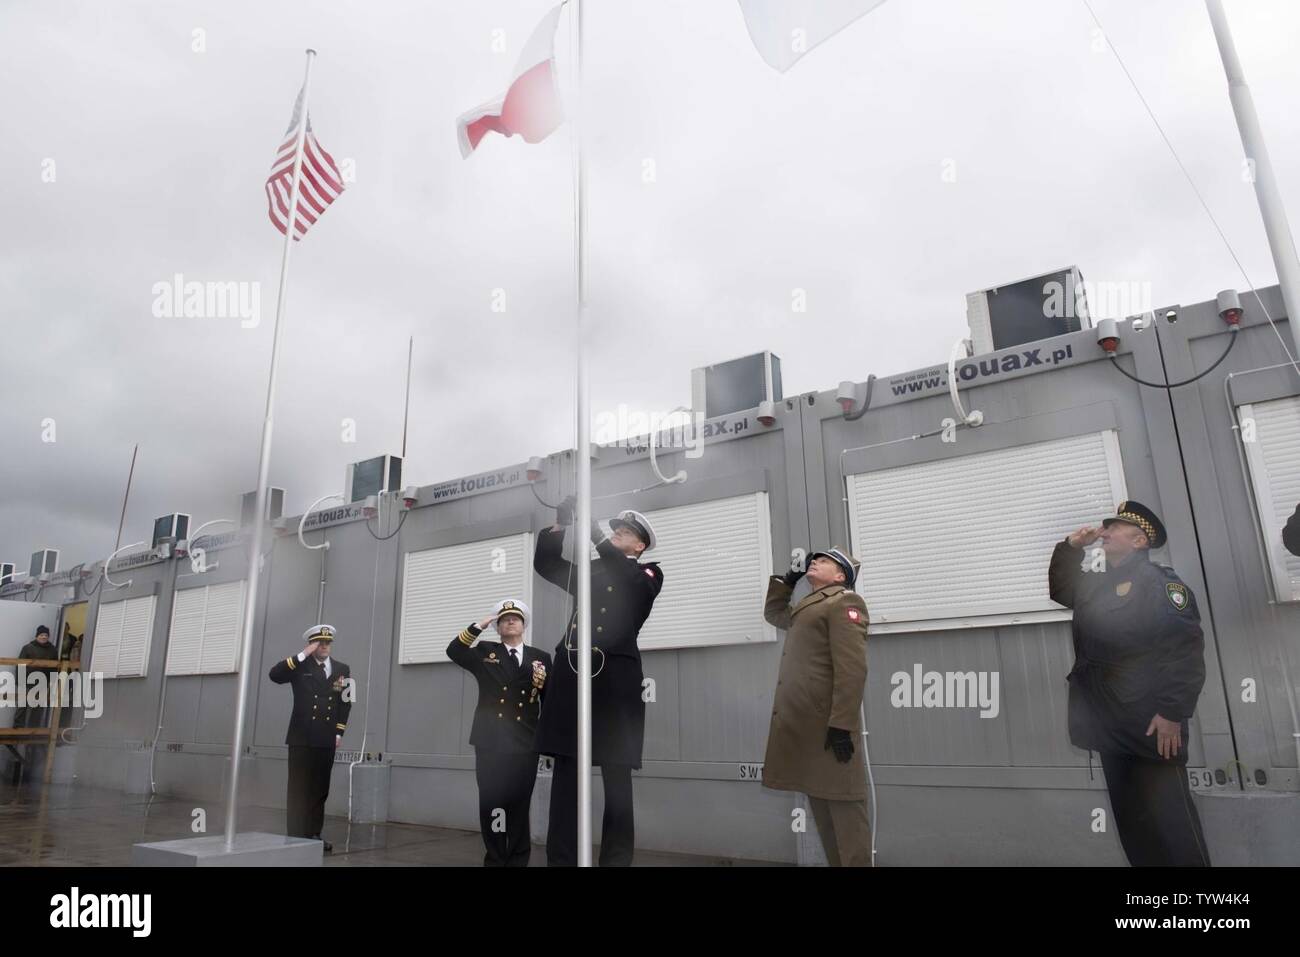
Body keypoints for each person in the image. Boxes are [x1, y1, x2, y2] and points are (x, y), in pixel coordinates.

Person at [1048, 500, 1211, 866]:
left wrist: (1172, 711)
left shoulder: (1162, 584)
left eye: (1114, 527)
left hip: (1152, 726)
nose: (1104, 531)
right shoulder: (1096, 585)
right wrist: (1071, 547)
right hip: (1106, 724)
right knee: (1134, 829)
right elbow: (1061, 588)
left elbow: (1185, 651)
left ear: (1139, 541)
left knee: (1173, 829)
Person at [533, 497, 663, 866]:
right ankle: (562, 859)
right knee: (566, 775)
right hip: (574, 676)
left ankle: (616, 861)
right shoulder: (593, 570)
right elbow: (547, 565)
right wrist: (561, 523)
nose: (617, 534)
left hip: (614, 685)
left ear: (640, 546)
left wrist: (594, 534)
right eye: (616, 529)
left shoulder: (648, 573)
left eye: (626, 533)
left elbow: (629, 583)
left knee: (617, 779)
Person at [761, 547, 872, 867]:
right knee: (824, 811)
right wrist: (788, 580)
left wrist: (841, 725)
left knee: (846, 812)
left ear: (841, 576)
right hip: (808, 727)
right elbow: (774, 614)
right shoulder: (809, 607)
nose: (814, 562)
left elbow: (852, 670)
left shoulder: (845, 602)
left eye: (824, 561)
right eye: (813, 560)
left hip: (830, 726)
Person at [447, 599, 551, 866]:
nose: (510, 621)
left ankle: (517, 859)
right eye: (504, 619)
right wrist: (480, 623)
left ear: (524, 624)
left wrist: (549, 741)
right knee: (493, 802)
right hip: (491, 740)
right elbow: (455, 651)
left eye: (515, 617)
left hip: (525, 742)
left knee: (518, 803)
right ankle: (495, 858)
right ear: (498, 626)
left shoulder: (541, 658)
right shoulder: (485, 651)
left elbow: (548, 701)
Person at [268, 624, 352, 852]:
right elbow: (274, 675)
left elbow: (347, 702)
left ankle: (314, 833)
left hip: (326, 739)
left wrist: (339, 732)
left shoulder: (343, 669)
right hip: (301, 737)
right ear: (312, 644)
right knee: (298, 788)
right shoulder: (300, 665)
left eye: (327, 642)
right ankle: (295, 835)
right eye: (319, 642)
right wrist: (303, 653)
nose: (324, 646)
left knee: (319, 788)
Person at [8, 625, 58, 784]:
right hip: (28, 682)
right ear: (37, 636)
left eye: (46, 635)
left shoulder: (52, 650)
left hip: (42, 683)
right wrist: (20, 682)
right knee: (23, 705)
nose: (44, 637)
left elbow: (55, 668)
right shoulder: (28, 648)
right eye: (42, 635)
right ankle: (18, 727)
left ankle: (33, 728)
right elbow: (20, 664)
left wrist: (52, 681)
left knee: (38, 707)